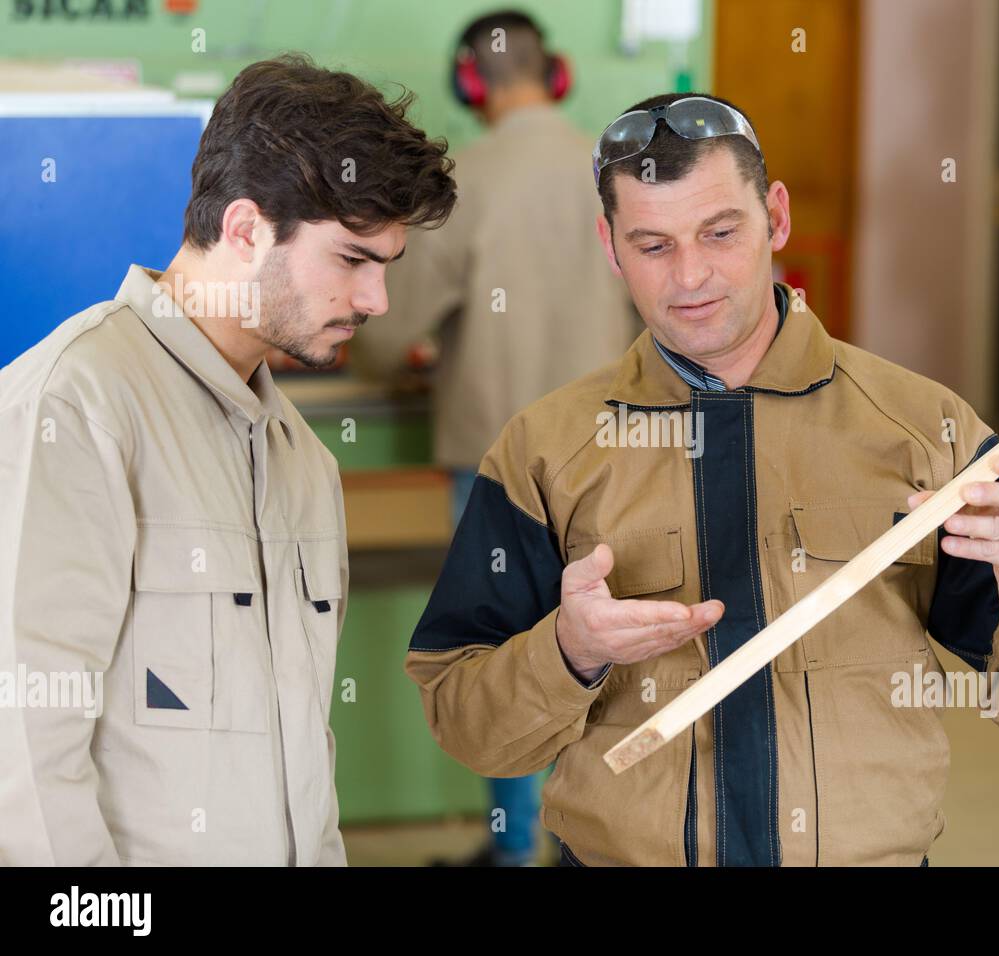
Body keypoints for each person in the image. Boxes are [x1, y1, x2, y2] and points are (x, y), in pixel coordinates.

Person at [404, 93, 999, 866]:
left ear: (774, 217)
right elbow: (466, 723)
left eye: (720, 232)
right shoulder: (542, 451)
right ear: (610, 248)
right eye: (652, 245)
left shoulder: (924, 426)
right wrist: (569, 650)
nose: (690, 277)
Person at [0, 54, 456, 865]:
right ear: (245, 230)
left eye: (387, 268)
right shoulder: (74, 407)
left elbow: (301, 760)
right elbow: (24, 754)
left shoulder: (304, 465)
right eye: (352, 260)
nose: (376, 302)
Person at [365, 10, 637, 866]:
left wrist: (412, 355)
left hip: (497, 468)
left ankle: (514, 849)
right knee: (600, 658)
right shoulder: (618, 173)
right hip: (616, 458)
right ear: (554, 73)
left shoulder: (465, 182)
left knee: (508, 661)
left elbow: (379, 335)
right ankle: (583, 847)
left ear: (468, 83)